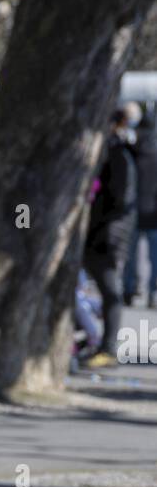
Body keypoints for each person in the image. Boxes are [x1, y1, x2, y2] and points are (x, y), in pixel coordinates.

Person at [83, 108, 138, 365]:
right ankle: (101, 343)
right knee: (106, 290)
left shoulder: (117, 157)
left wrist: (95, 225)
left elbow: (115, 200)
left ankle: (108, 347)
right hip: (109, 233)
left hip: (109, 236)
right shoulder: (118, 154)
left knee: (110, 289)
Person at [124, 109, 157, 309]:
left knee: (133, 257)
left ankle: (131, 289)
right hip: (148, 214)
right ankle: (150, 292)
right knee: (152, 259)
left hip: (134, 213)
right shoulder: (134, 152)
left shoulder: (131, 152)